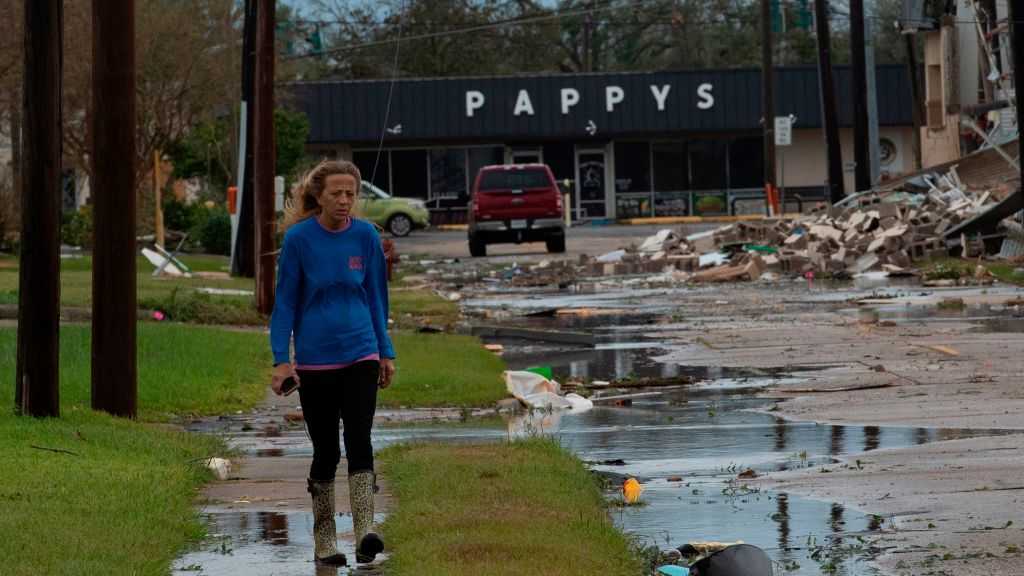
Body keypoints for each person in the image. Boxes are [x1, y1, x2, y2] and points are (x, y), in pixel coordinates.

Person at [269, 159, 396, 566]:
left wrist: (385, 350)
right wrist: (280, 360)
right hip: (315, 361)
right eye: (336, 193)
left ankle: (364, 533)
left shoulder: (365, 237)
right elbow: (285, 302)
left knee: (360, 440)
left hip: (361, 352)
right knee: (326, 450)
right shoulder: (299, 240)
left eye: (350, 194)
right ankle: (325, 538)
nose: (344, 201)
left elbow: (377, 297)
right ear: (318, 196)